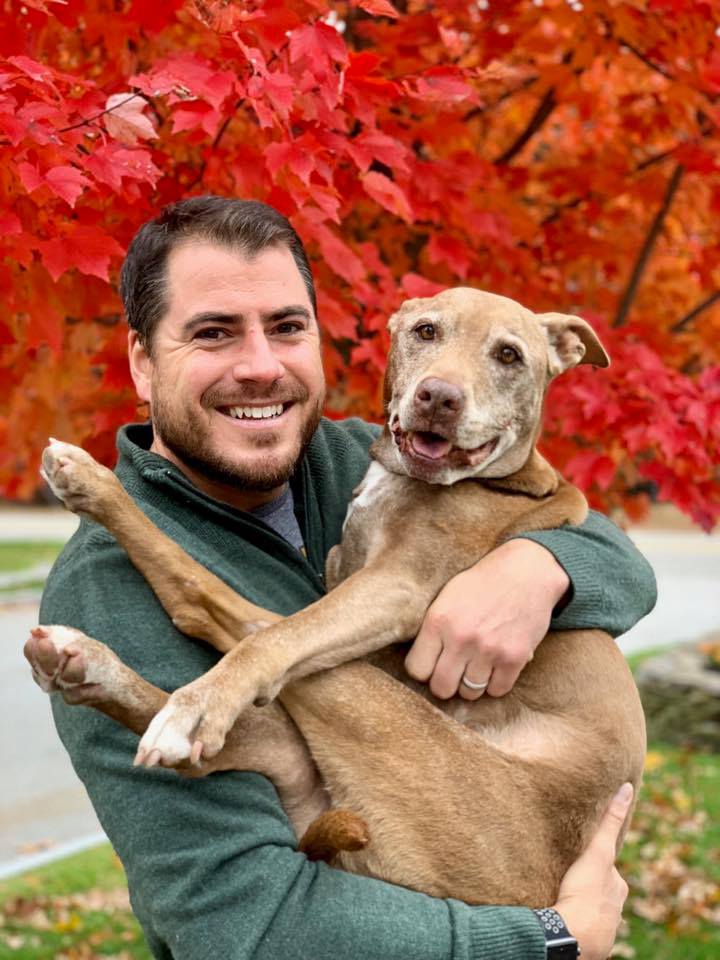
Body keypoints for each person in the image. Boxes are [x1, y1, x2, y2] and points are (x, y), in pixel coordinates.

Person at [36, 196, 655, 960]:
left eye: (288, 328)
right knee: (302, 696)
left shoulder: (374, 460)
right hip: (447, 887)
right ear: (141, 361)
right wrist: (549, 945)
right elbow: (243, 924)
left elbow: (619, 558)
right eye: (214, 333)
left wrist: (544, 569)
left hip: (513, 799)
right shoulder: (104, 588)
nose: (261, 365)